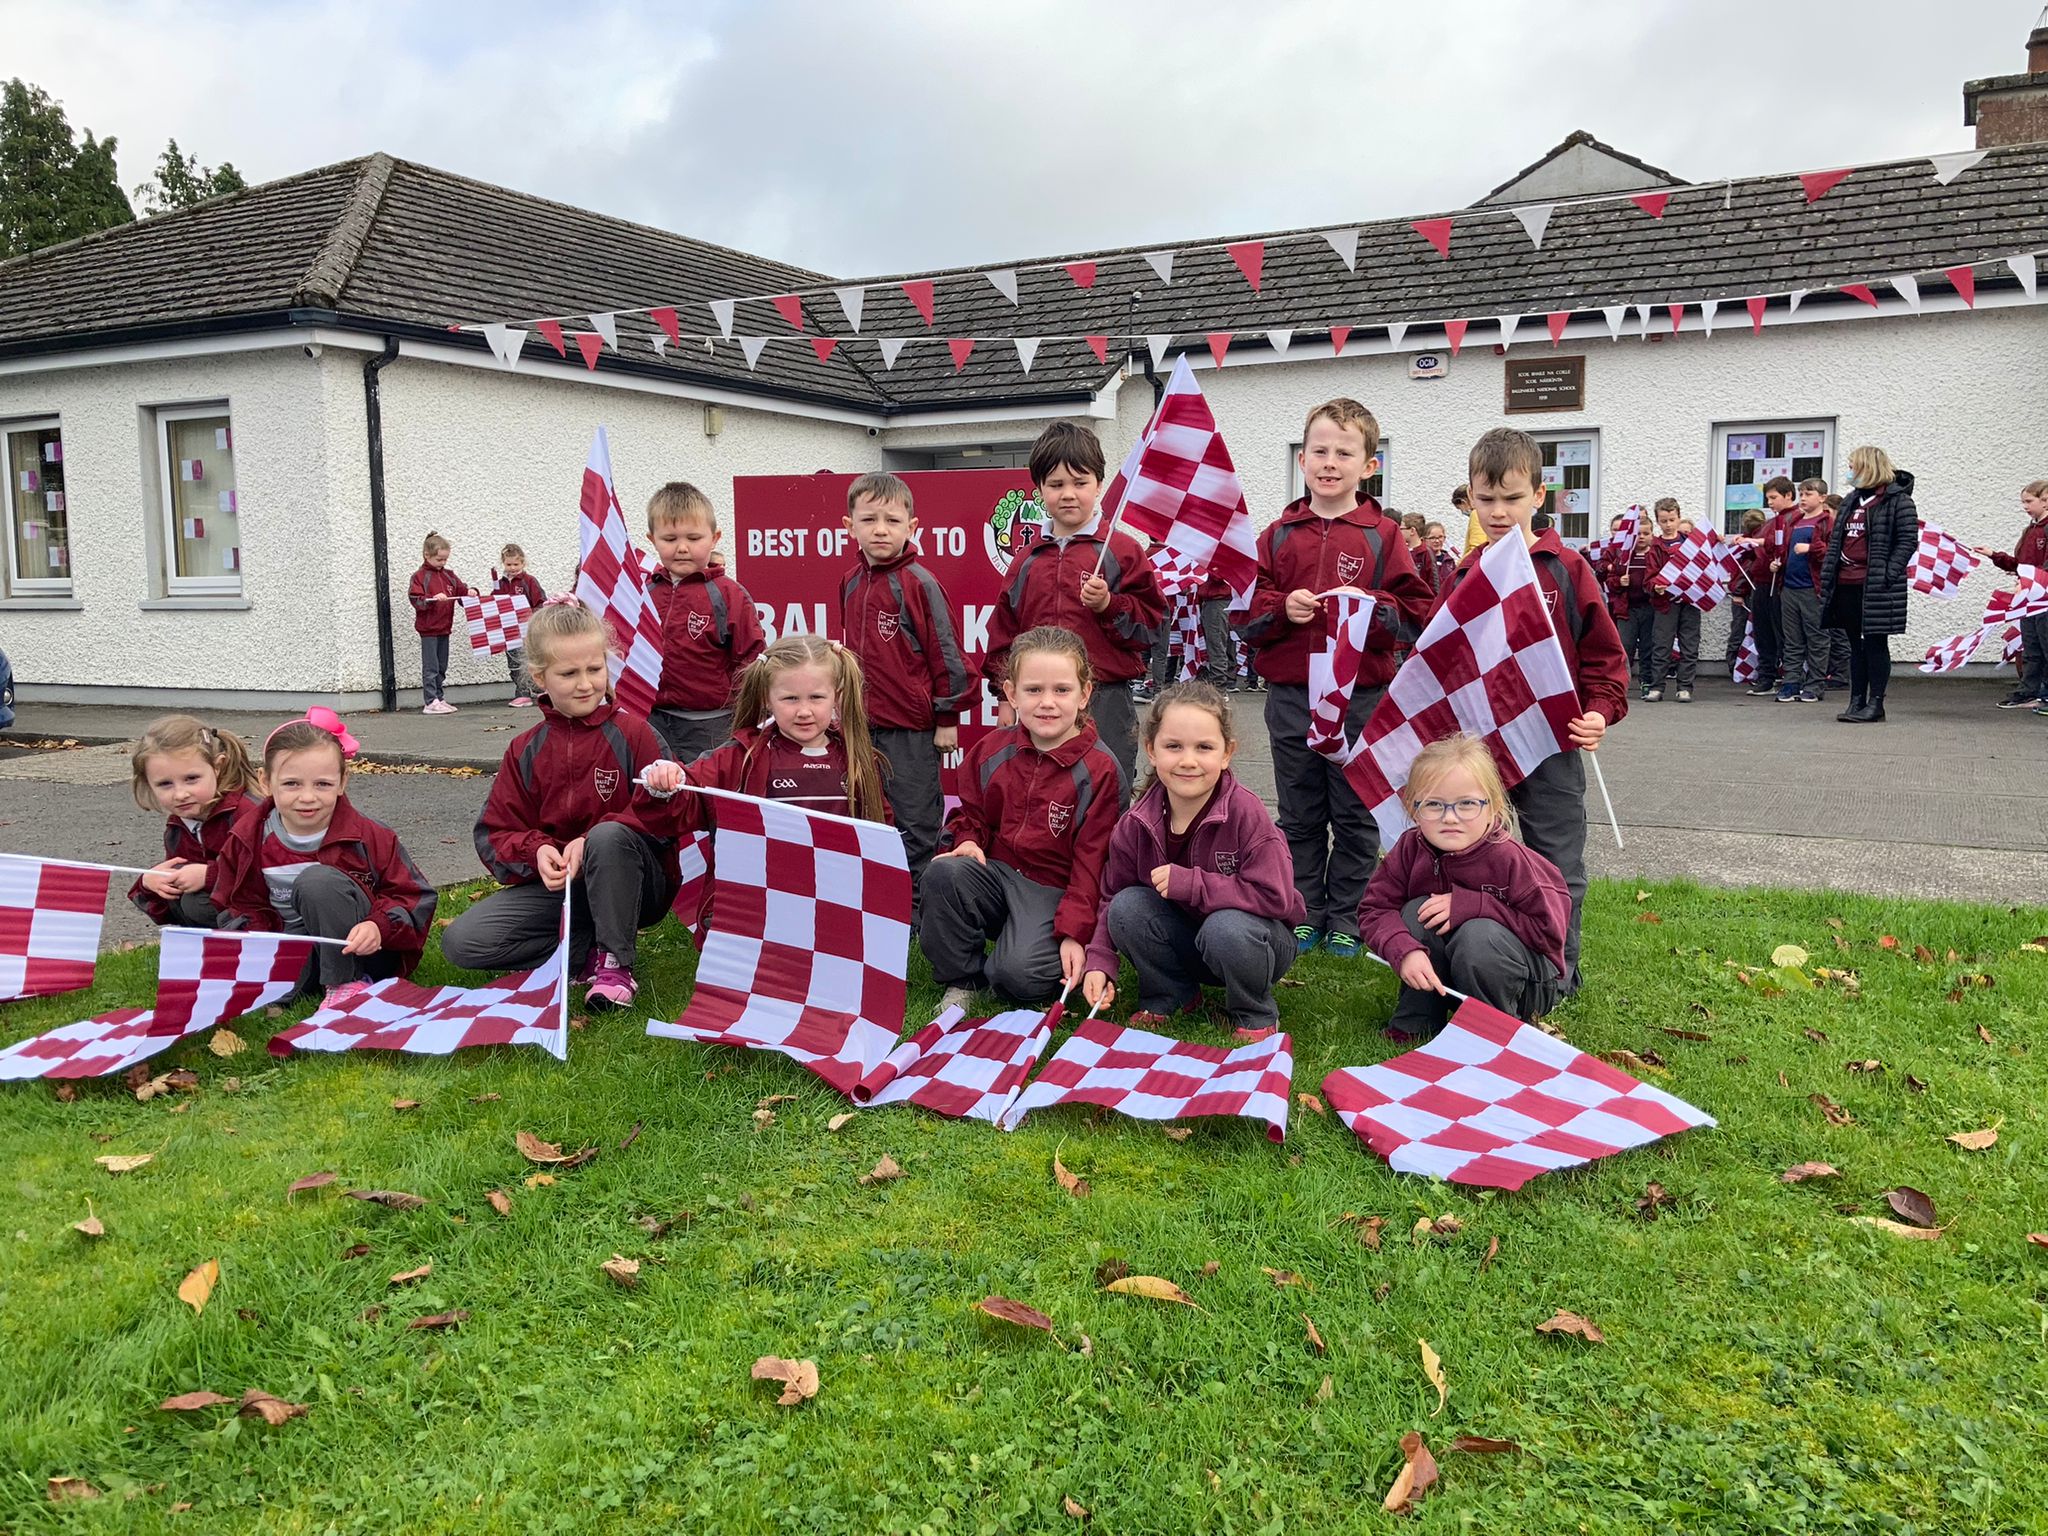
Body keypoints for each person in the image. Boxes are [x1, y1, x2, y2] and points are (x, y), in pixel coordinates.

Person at [1238, 398, 1433, 958]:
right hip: (1293, 698)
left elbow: (1417, 611)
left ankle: (1348, 915)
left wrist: (1369, 606)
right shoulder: (1278, 535)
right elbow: (1245, 614)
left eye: (1344, 453)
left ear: (1369, 465)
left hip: (1362, 700)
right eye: (1319, 451)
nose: (1330, 462)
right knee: (1299, 811)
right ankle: (1305, 909)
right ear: (1301, 460)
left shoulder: (1383, 535)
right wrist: (1281, 610)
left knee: (1355, 812)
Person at [1437, 428, 1628, 994]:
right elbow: (1440, 664)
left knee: (1556, 864)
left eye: (1512, 498)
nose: (1498, 511)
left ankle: (1557, 973)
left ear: (1539, 497)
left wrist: (1599, 712)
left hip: (1549, 745)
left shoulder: (1565, 570)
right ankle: (1476, 960)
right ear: (1470, 496)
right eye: (1486, 498)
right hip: (1478, 752)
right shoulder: (1462, 576)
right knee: (1471, 857)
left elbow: (1604, 656)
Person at [441, 599, 684, 1012]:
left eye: (594, 669)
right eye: (569, 673)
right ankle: (578, 955)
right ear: (540, 677)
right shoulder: (524, 749)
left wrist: (591, 840)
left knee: (608, 836)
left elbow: (669, 816)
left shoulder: (635, 734)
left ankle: (615, 964)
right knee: (462, 942)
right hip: (562, 891)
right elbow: (495, 833)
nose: (585, 683)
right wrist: (536, 851)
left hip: (635, 884)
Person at [1081, 682, 1304, 1035]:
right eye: (1173, 746)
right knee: (1128, 906)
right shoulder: (1136, 822)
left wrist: (1193, 884)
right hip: (1187, 938)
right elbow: (1111, 897)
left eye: (1204, 747)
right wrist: (1100, 960)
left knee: (1224, 927)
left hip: (1256, 941)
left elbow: (1276, 896)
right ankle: (1171, 995)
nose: (1188, 761)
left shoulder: (1246, 812)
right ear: (1151, 751)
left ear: (1226, 753)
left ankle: (1254, 1011)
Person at [924, 626, 1121, 1009]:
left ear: (1084, 695)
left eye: (1061, 690)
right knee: (943, 873)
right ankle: (963, 978)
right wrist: (966, 839)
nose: (1047, 702)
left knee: (1017, 978)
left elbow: (1093, 864)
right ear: (1012, 694)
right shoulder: (990, 751)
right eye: (1034, 690)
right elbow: (970, 814)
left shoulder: (1101, 771)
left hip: (1054, 891)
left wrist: (1074, 933)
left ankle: (1017, 965)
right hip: (997, 874)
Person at [983, 422, 1163, 801]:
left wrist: (1109, 606)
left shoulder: (1122, 551)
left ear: (1099, 484)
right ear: (1039, 490)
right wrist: (1003, 696)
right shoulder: (1026, 561)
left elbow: (1150, 627)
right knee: (1041, 791)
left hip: (1105, 699)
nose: (1068, 494)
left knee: (1105, 793)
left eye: (1079, 483)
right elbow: (1004, 632)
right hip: (1039, 699)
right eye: (1056, 484)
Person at [211, 710, 436, 1007]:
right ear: (265, 781)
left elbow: (414, 897)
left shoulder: (369, 836)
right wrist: (254, 938)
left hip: (362, 951)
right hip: (293, 946)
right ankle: (294, 985)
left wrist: (378, 926)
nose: (307, 797)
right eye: (291, 784)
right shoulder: (247, 837)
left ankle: (346, 983)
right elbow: (235, 901)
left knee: (317, 880)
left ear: (342, 782)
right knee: (259, 996)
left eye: (322, 784)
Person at [1357, 733, 1569, 1038]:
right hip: (1450, 974)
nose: (1451, 818)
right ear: (1412, 808)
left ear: (1493, 805)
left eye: (1467, 804)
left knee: (1478, 936)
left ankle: (1492, 1033)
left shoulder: (1511, 860)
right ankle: (1417, 1021)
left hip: (1524, 983)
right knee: (1418, 911)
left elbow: (1548, 934)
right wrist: (1403, 950)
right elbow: (1374, 909)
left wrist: (1473, 906)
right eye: (1433, 805)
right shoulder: (1409, 847)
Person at [838, 472, 971, 900]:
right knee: (868, 816)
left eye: (893, 521)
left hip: (912, 731)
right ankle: (878, 900)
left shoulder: (921, 584)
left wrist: (947, 717)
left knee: (915, 822)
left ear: (912, 528)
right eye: (870, 519)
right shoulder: (850, 583)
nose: (881, 529)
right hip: (860, 729)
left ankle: (917, 911)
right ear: (849, 526)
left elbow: (947, 654)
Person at [681, 635, 891, 822]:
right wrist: (669, 780)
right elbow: (686, 801)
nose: (804, 711)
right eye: (791, 699)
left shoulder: (858, 758)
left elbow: (882, 835)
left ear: (836, 695)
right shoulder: (744, 755)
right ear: (767, 699)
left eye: (816, 697)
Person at [644, 481, 764, 762]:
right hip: (653, 719)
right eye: (670, 539)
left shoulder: (729, 594)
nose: (682, 548)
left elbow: (752, 659)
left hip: (713, 723)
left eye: (694, 538)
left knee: (709, 798)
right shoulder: (643, 593)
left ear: (714, 538)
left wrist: (751, 716)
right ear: (652, 540)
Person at [127, 715, 258, 928]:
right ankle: (201, 949)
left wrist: (209, 876)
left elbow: (269, 876)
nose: (180, 794)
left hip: (266, 916)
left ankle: (231, 949)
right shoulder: (178, 826)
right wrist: (148, 884)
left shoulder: (246, 813)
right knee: (181, 889)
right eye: (165, 784)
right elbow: (169, 907)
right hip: (214, 914)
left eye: (191, 779)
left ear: (218, 767)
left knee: (196, 902)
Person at [1819, 446, 1919, 724]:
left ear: (1868, 467)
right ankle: (1856, 700)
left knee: (1874, 643)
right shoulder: (1852, 499)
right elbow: (1837, 541)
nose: (1849, 471)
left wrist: (1887, 574)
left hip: (1874, 585)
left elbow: (1907, 541)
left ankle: (1876, 703)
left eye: (1853, 465)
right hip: (1846, 584)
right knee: (1855, 645)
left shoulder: (1898, 501)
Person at [1975, 479, 2048, 708]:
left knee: (2046, 645)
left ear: (2045, 501)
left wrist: (2029, 581)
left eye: (2029, 501)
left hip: (2043, 596)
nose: (2024, 506)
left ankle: (2045, 693)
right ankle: (2029, 690)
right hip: (2030, 598)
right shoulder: (2031, 530)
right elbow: (2021, 564)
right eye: (2023, 501)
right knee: (2031, 647)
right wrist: (1994, 555)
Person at [1775, 480, 1835, 703]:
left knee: (1817, 638)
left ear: (1822, 497)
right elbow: (1784, 549)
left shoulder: (1826, 522)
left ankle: (1815, 684)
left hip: (1812, 589)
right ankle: (1791, 682)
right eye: (1801, 493)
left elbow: (1834, 553)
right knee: (1792, 639)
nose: (1802, 497)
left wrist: (1811, 548)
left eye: (1808, 494)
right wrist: (1778, 563)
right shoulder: (1795, 521)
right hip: (1789, 587)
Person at [1644, 498, 1699, 702]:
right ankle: (1657, 686)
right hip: (1665, 603)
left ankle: (1685, 687)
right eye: (1664, 521)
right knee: (1661, 645)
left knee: (1689, 645)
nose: (1668, 525)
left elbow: (1707, 560)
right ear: (1657, 522)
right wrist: (1655, 587)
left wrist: (1718, 540)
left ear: (1679, 517)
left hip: (1690, 601)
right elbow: (1648, 579)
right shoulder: (1655, 547)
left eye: (1672, 520)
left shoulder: (1691, 542)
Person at [407, 531, 469, 714]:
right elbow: (415, 598)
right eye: (439, 559)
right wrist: (431, 598)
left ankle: (439, 698)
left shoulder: (449, 575)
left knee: (442, 666)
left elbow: (461, 591)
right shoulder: (419, 576)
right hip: (429, 629)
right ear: (427, 555)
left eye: (445, 560)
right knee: (431, 666)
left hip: (445, 627)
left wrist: (471, 592)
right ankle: (430, 700)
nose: (442, 563)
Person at [1595, 511, 1655, 687]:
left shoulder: (1655, 555)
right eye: (1639, 534)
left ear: (1652, 534)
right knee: (1625, 646)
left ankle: (1647, 682)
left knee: (1648, 647)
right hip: (1626, 609)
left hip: (1650, 608)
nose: (1642, 537)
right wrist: (1620, 582)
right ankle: (1621, 682)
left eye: (1646, 533)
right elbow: (1610, 580)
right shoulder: (1624, 556)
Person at [494, 544, 547, 708]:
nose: (512, 568)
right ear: (503, 563)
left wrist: (531, 617)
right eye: (509, 564)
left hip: (526, 631)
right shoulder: (500, 583)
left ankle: (541, 690)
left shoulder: (529, 581)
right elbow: (495, 602)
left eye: (516, 564)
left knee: (532, 660)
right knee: (514, 662)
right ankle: (522, 693)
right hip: (509, 630)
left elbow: (540, 602)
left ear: (523, 563)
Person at [1724, 507, 1766, 682]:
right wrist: (1739, 592)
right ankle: (1738, 665)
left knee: (1741, 630)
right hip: (1747, 592)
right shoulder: (1750, 545)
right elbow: (1744, 572)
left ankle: (1736, 664)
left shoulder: (1746, 543)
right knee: (1744, 630)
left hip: (1747, 591)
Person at [1821, 492, 1851, 688]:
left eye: (1827, 512)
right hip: (1829, 585)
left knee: (1839, 632)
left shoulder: (1840, 532)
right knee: (1832, 630)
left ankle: (1841, 674)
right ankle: (1835, 671)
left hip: (1840, 586)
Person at [1422, 521, 1457, 588]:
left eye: (1440, 537)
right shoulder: (1422, 560)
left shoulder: (1449, 561)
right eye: (1432, 538)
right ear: (1424, 539)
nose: (1437, 541)